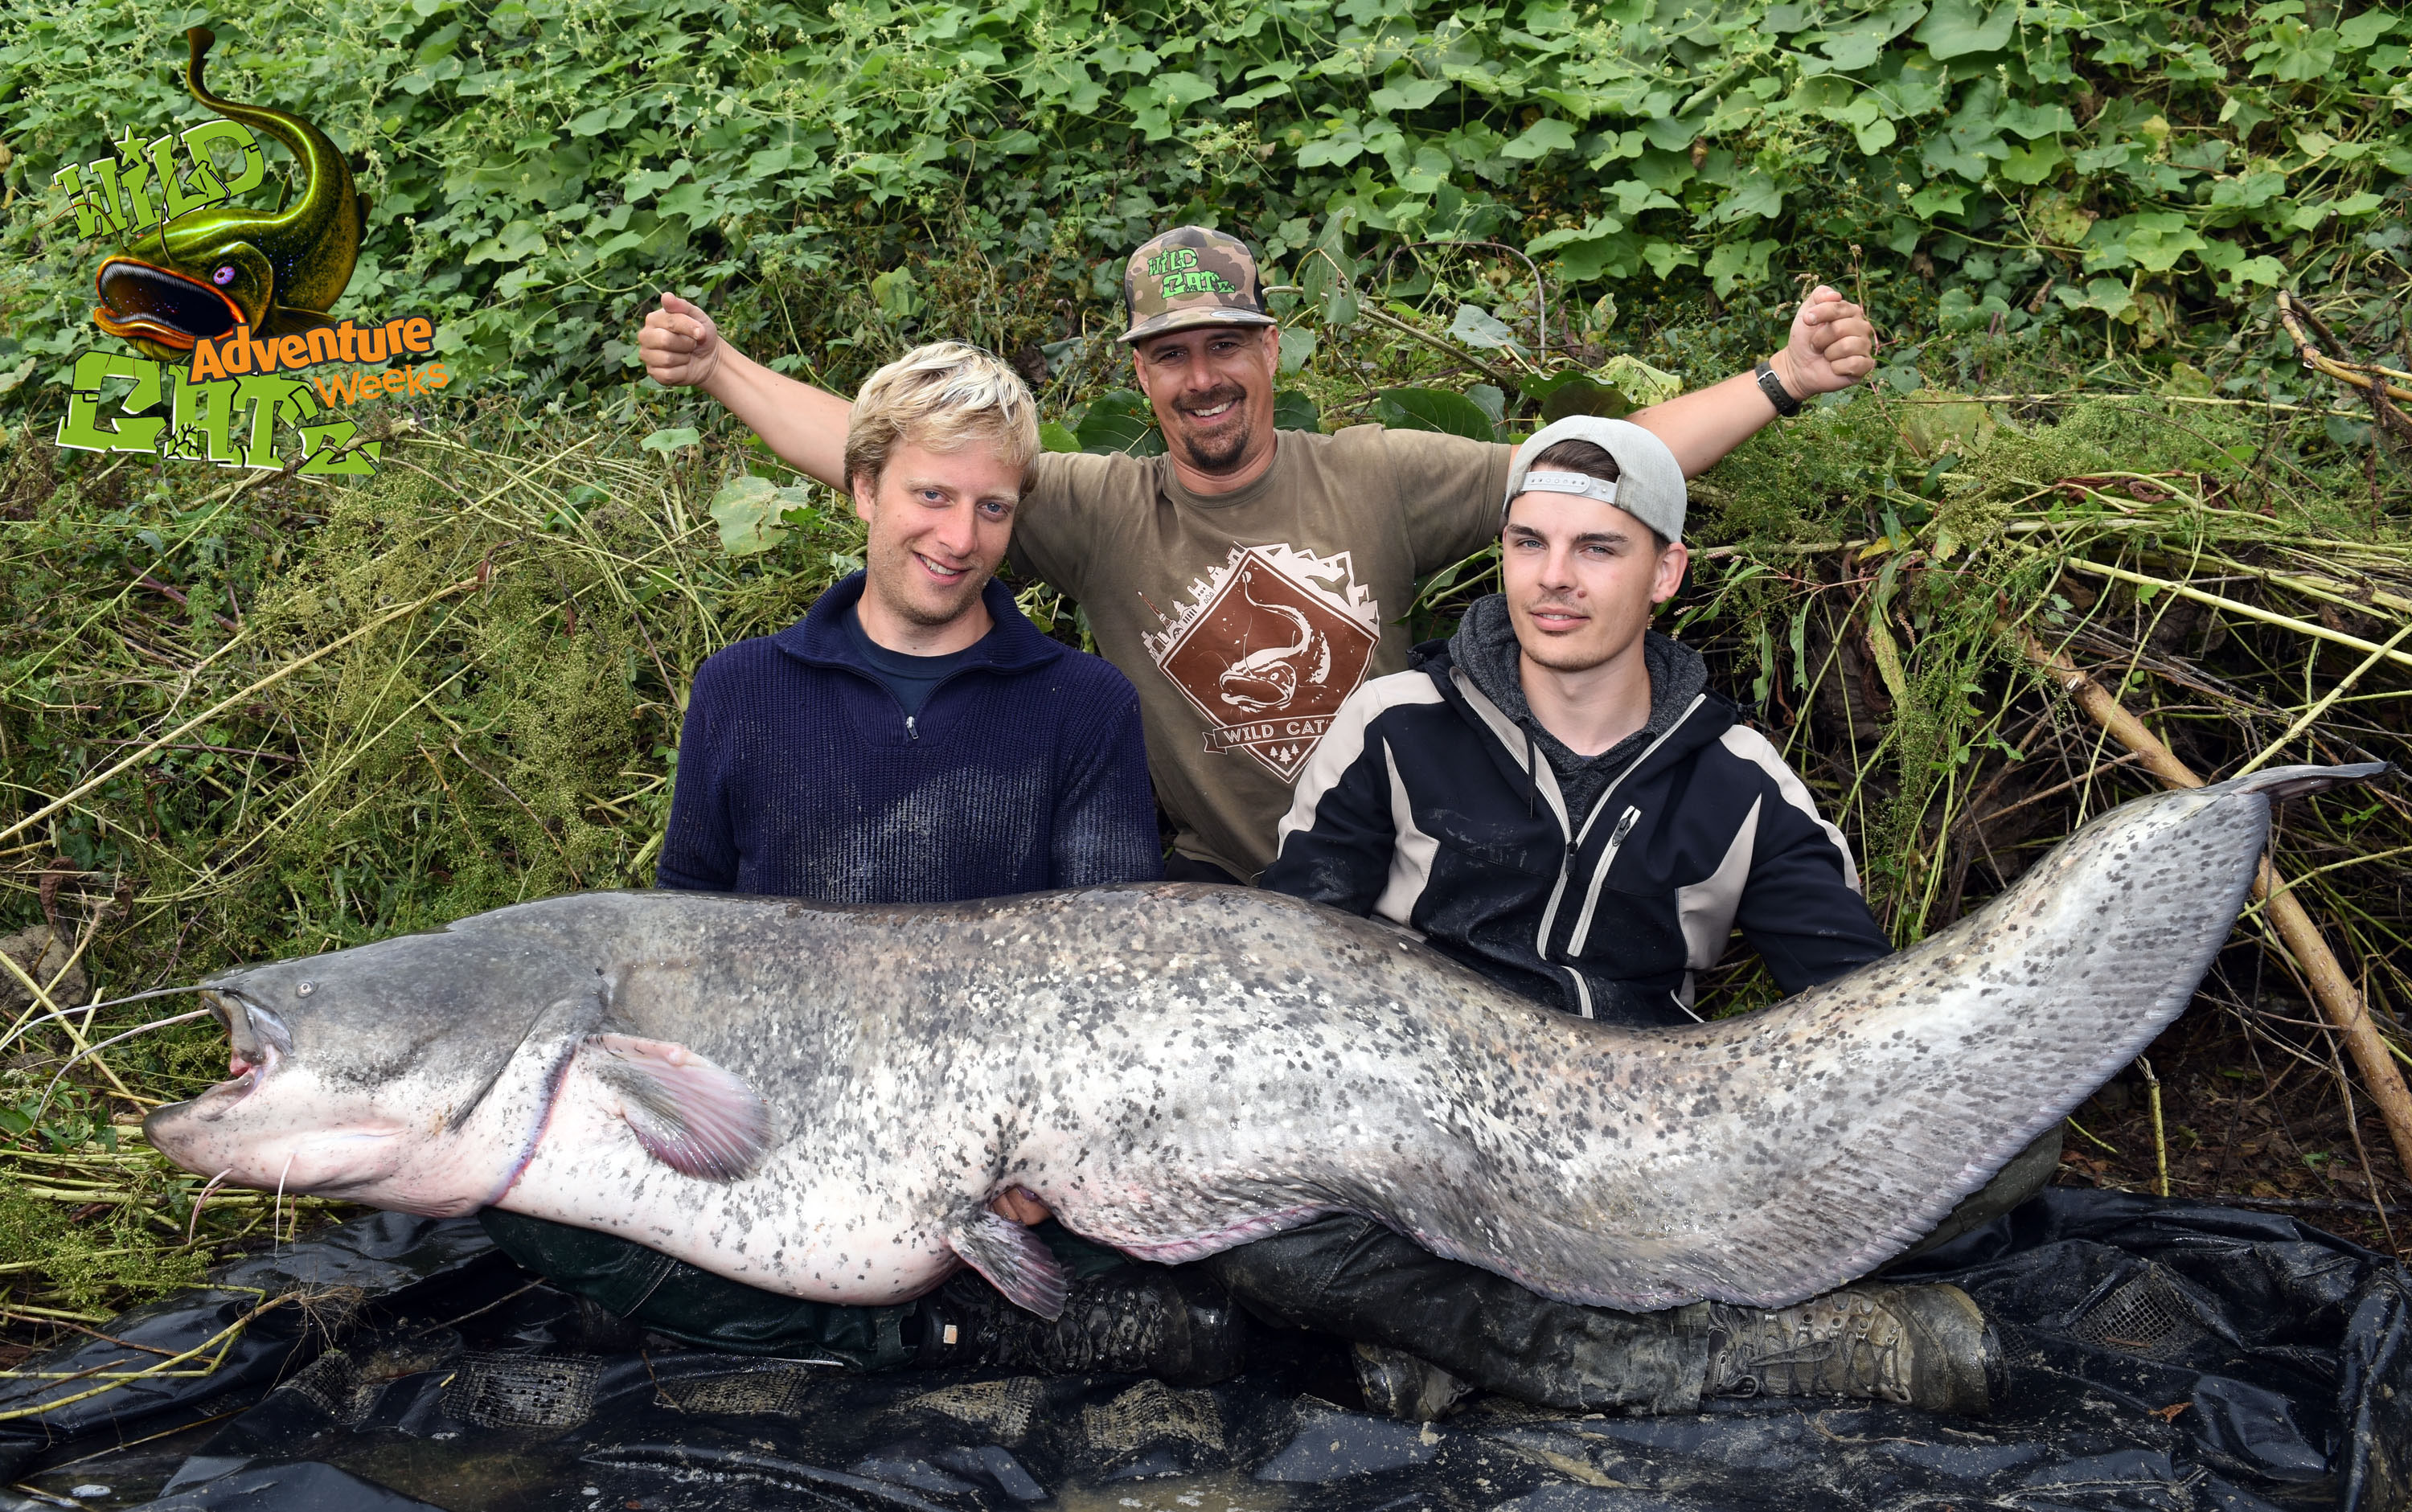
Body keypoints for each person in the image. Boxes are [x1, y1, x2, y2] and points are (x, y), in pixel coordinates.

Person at [636, 227, 1878, 883]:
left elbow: (1597, 463)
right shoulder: (1088, 506)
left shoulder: (1377, 474)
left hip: (1399, 876)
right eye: (1172, 353)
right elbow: (890, 455)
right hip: (1211, 888)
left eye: (1226, 344)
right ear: (1139, 373)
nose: (1203, 376)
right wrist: (719, 368)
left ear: (1271, 350)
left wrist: (1783, 379)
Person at [1221, 417, 2034, 1420]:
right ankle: (1722, 1352)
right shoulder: (1393, 721)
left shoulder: (1742, 781)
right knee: (1260, 1242)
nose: (1553, 577)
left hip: (1651, 1163)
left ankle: (1454, 1340)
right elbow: (1272, 963)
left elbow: (1854, 1010)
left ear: (1665, 572)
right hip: (1419, 1146)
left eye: (1597, 548)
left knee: (2003, 1138)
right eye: (1530, 543)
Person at [478, 341, 1248, 1386]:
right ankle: (898, 1335)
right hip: (774, 1120)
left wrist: (1032, 1156)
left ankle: (768, 1314)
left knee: (1188, 1210)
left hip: (994, 1142)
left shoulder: (1084, 702)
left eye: (992, 508)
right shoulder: (741, 688)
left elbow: (1112, 977)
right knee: (514, 1195)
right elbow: (678, 940)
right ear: (862, 488)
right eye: (931, 495)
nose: (959, 537)